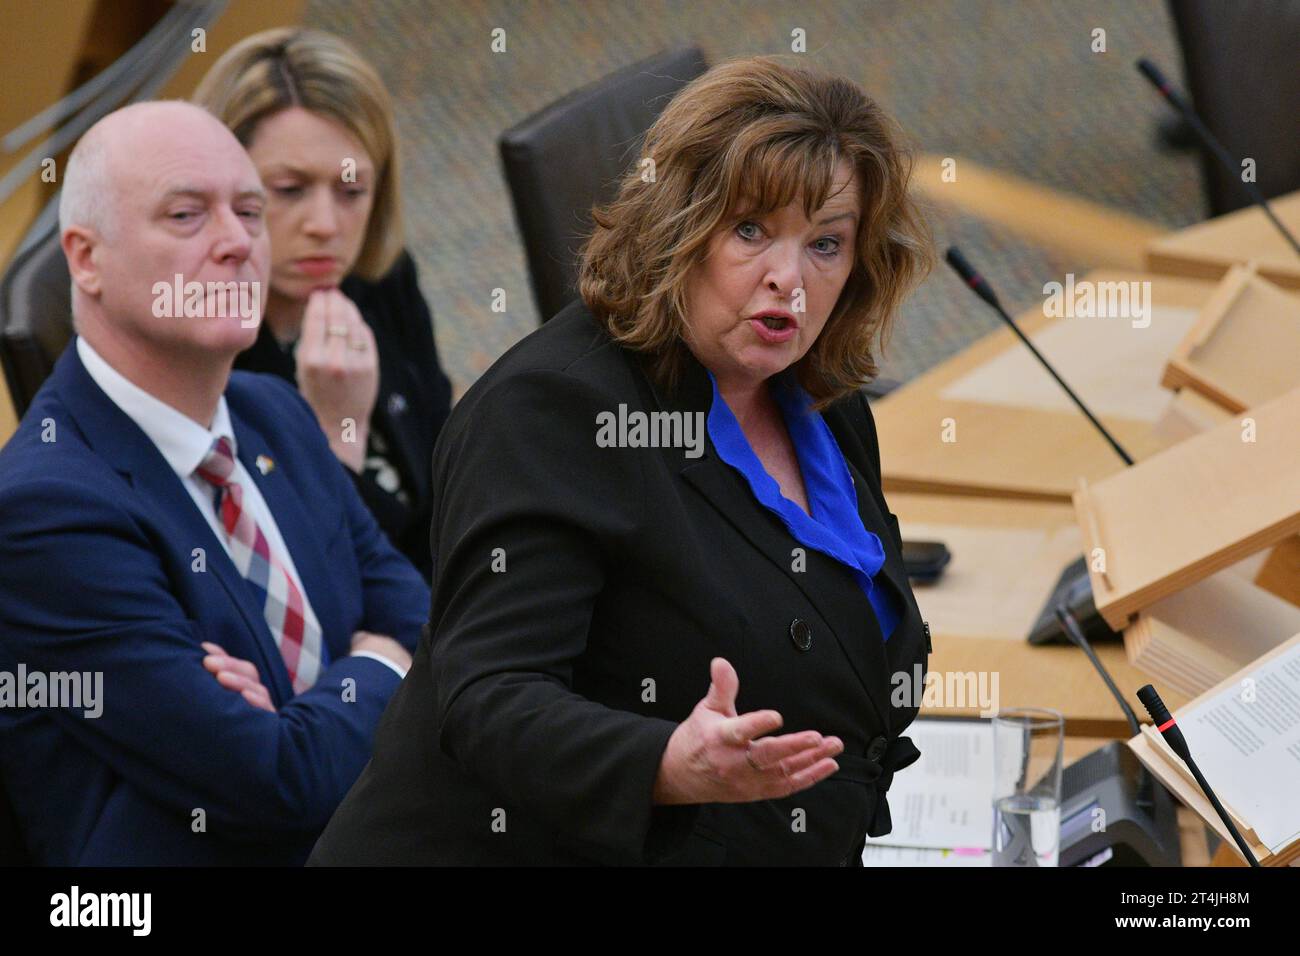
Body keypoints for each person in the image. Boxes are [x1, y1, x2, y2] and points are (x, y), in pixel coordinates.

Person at [310, 56, 934, 866]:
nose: (790, 280)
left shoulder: (817, 394)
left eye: (825, 244)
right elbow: (489, 699)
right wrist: (666, 765)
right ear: (680, 224)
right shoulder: (552, 413)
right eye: (750, 230)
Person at [0, 101, 429, 865]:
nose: (237, 244)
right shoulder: (44, 510)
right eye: (187, 215)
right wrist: (376, 664)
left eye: (250, 211)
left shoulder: (274, 413)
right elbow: (275, 786)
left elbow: (429, 620)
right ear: (86, 258)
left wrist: (307, 717)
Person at [192, 28, 453, 578]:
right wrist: (333, 438)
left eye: (352, 191)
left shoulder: (376, 277)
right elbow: (303, 593)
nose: (326, 227)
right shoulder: (203, 353)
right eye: (288, 190)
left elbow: (444, 458)